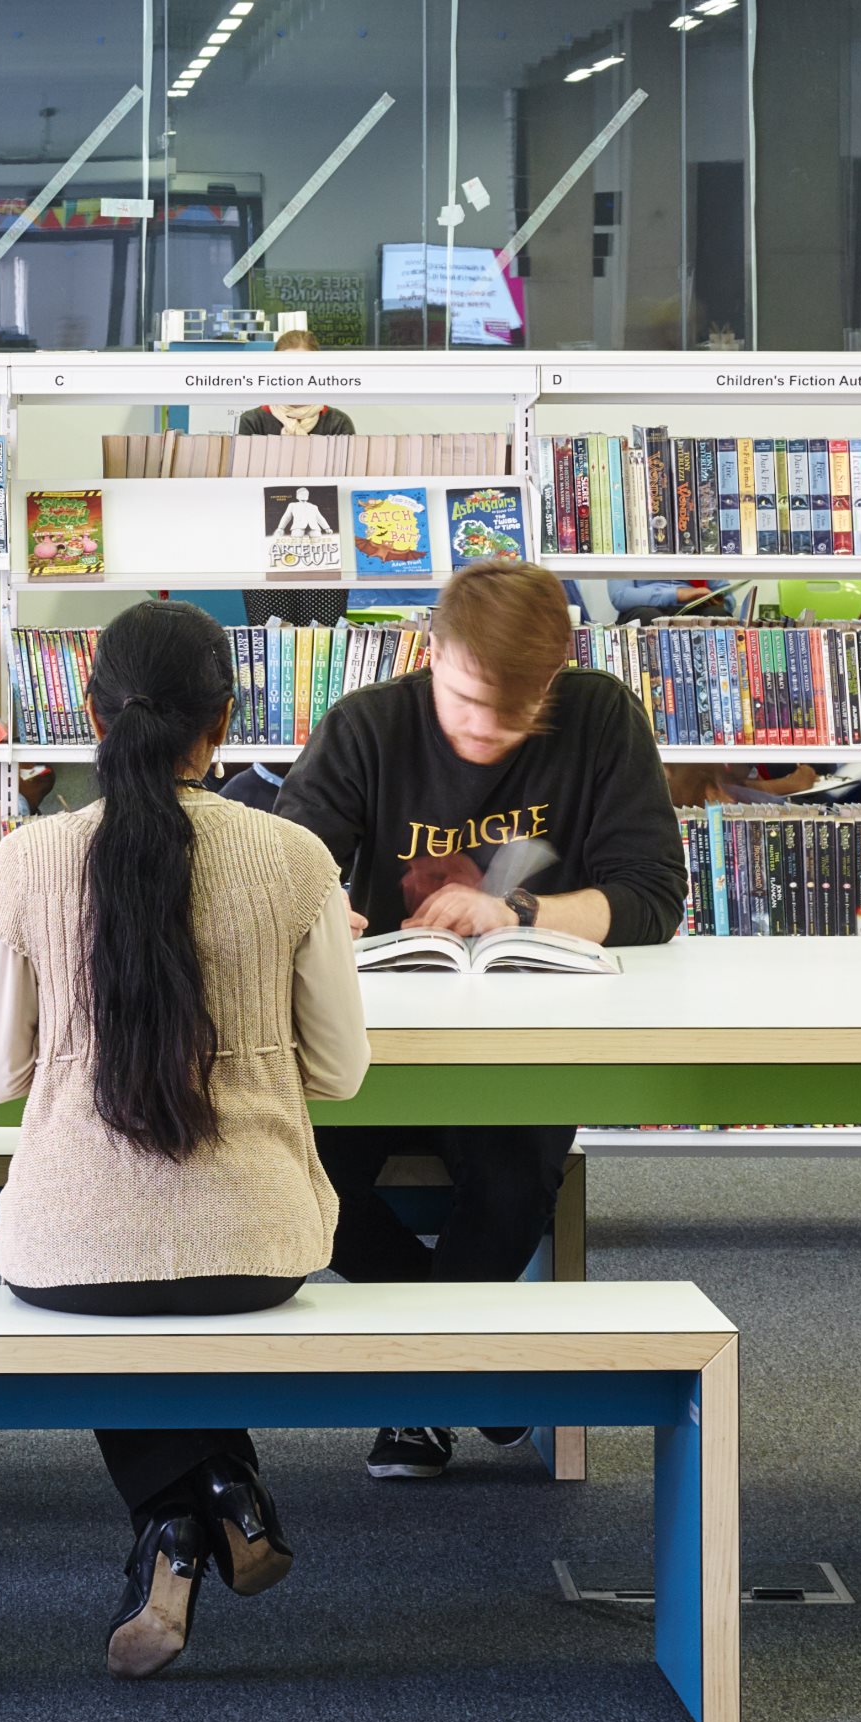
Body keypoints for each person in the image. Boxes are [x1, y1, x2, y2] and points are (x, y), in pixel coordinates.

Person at [0, 599, 368, 1679]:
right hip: (262, 1246)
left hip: (71, 1250)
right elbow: (338, 1071)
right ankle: (212, 1496)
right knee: (167, 1262)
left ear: (93, 714)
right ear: (224, 720)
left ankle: (182, 1512)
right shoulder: (294, 857)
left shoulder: (29, 858)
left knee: (110, 1267)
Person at [272, 559, 684, 1484]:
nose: (485, 732)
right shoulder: (369, 726)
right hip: (375, 1039)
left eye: (513, 713)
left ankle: (420, 1396)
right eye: (465, 700)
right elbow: (285, 867)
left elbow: (652, 897)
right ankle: (471, 1365)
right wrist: (311, 907)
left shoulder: (600, 718)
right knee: (299, 1182)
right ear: (433, 652)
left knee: (508, 1184)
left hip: (525, 1036)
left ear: (555, 676)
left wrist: (521, 913)